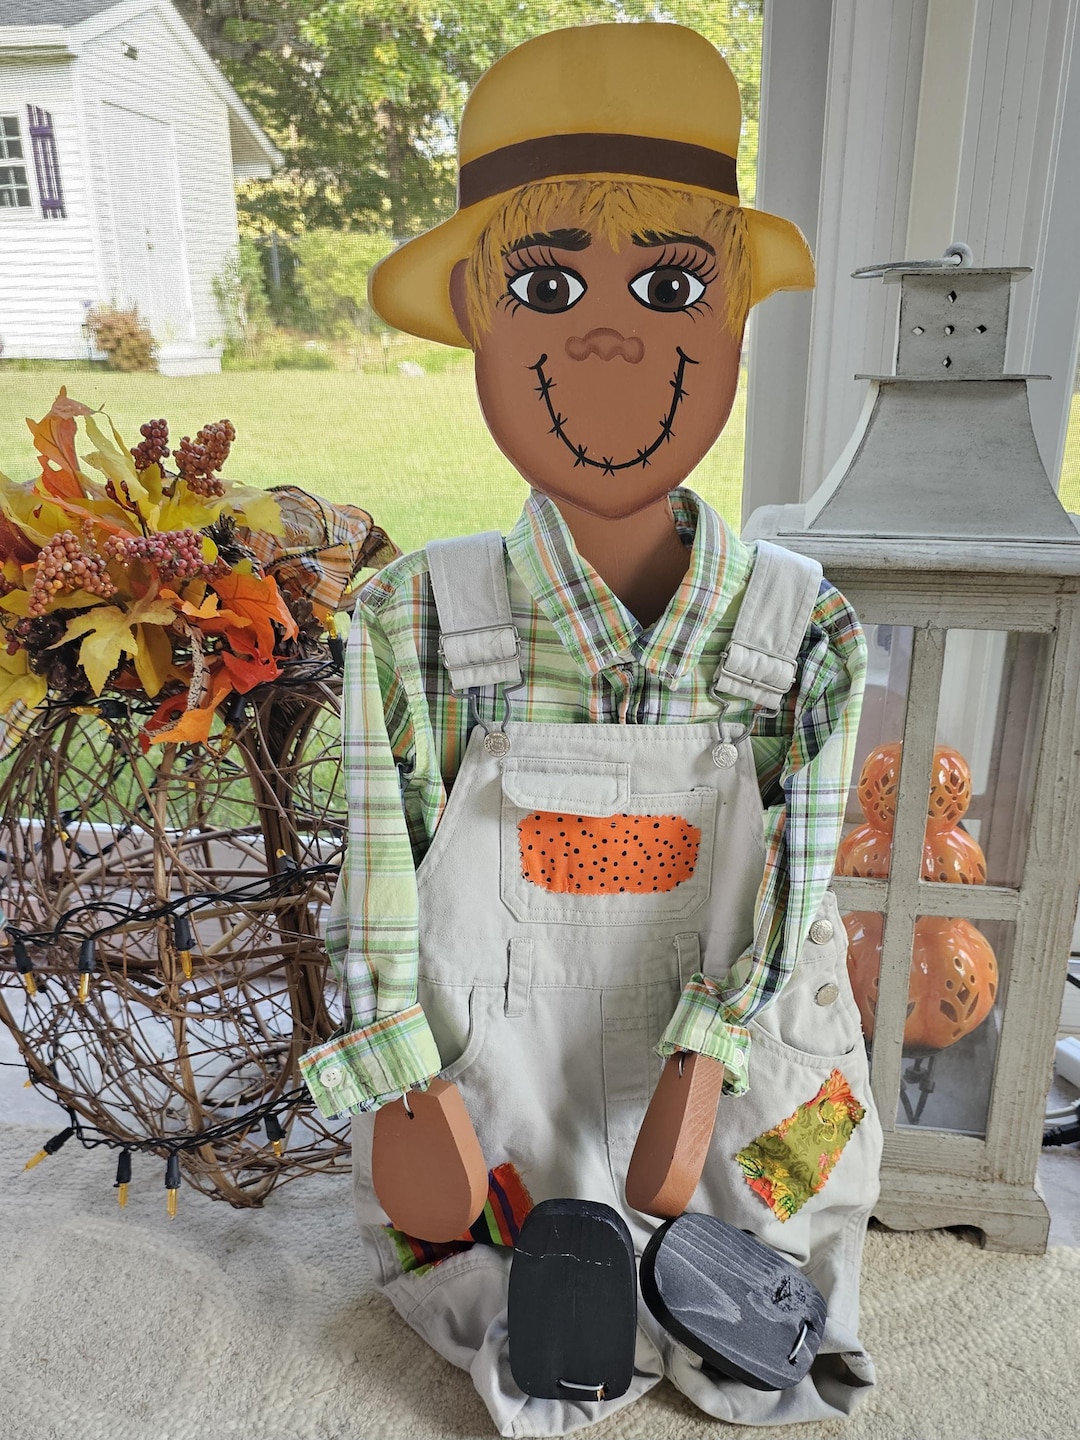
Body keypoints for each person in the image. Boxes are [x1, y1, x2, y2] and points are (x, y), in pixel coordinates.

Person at [301, 22, 883, 1436]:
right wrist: (398, 1085)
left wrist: (718, 1044)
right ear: (486, 331)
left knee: (786, 1200)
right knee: (490, 1247)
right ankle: (539, 1284)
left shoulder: (801, 635)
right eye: (550, 285)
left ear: (733, 327)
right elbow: (374, 896)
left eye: (673, 285)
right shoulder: (417, 628)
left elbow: (799, 900)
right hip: (501, 1084)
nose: (613, 332)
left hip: (731, 1081)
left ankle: (732, 1284)